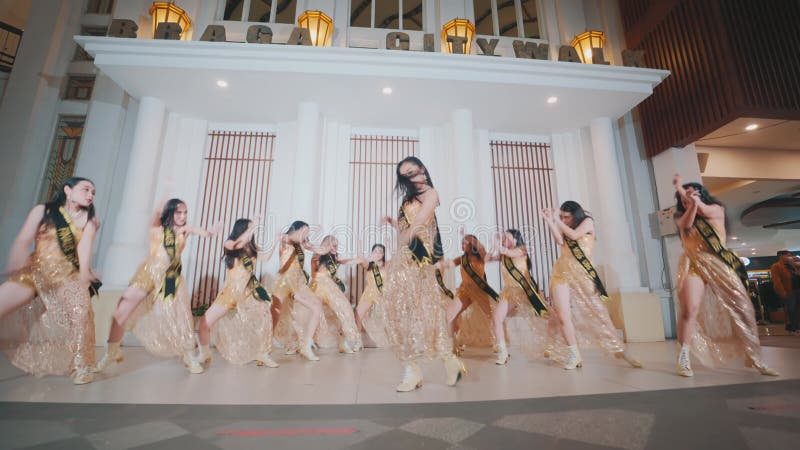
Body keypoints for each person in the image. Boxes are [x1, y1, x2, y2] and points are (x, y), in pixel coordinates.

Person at [95, 198, 220, 375]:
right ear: (169, 212)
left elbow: (198, 230)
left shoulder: (184, 231)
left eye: (185, 212)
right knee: (121, 312)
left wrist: (209, 233)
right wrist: (166, 192)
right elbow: (156, 212)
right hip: (148, 274)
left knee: (178, 316)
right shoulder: (157, 229)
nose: (183, 216)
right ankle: (111, 352)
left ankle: (188, 356)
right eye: (179, 212)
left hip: (170, 277)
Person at [672, 175, 778, 376]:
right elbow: (686, 224)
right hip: (693, 262)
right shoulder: (681, 216)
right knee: (690, 309)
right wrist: (687, 198)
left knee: (742, 308)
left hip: (719, 262)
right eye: (684, 199)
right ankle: (683, 356)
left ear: (701, 195)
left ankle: (754, 356)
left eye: (692, 196)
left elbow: (702, 209)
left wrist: (687, 195)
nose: (688, 201)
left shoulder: (716, 210)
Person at [0, 177, 101, 384]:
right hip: (34, 271)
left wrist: (84, 276)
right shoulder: (43, 211)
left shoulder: (89, 221)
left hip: (66, 276)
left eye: (93, 192)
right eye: (86, 189)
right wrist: (15, 260)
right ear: (68, 190)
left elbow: (84, 250)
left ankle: (81, 366)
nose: (90, 194)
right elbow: (24, 239)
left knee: (80, 313)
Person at [381, 156, 465, 392]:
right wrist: (393, 224)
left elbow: (419, 223)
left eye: (411, 170)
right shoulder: (408, 199)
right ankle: (444, 362)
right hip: (403, 258)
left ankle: (421, 369)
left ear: (421, 168)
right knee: (400, 310)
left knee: (423, 311)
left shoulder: (432, 193)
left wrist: (405, 235)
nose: (409, 176)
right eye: (404, 174)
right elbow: (406, 229)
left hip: (419, 259)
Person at [542, 201, 642, 370]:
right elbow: (560, 240)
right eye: (562, 217)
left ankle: (620, 349)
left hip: (582, 275)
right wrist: (550, 221)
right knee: (562, 315)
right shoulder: (565, 226)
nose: (564, 220)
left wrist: (556, 219)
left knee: (599, 313)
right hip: (561, 273)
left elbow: (574, 236)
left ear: (576, 214)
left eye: (567, 217)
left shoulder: (587, 222)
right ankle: (574, 354)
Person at [196, 218, 281, 369]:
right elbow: (236, 245)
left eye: (252, 230)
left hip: (247, 293)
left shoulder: (253, 248)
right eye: (249, 230)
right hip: (230, 293)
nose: (251, 233)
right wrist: (253, 226)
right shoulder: (230, 244)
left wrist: (275, 240)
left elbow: (266, 257)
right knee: (205, 323)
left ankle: (263, 353)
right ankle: (204, 353)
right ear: (241, 230)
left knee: (265, 315)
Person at [485, 229, 549, 365]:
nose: (504, 240)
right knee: (497, 317)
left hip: (525, 290)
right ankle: (503, 353)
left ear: (515, 240)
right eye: (503, 239)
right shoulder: (503, 255)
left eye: (506, 238)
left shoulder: (521, 250)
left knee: (546, 317)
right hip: (510, 292)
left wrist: (498, 245)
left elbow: (508, 252)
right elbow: (486, 260)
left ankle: (556, 344)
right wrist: (492, 246)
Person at [272, 221, 324, 361]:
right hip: (285, 283)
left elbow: (322, 251)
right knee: (278, 316)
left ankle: (305, 346)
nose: (306, 236)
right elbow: (285, 238)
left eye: (308, 233)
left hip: (298, 283)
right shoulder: (285, 239)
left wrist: (310, 244)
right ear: (296, 230)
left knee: (315, 308)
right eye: (304, 232)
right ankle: (264, 349)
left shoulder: (300, 244)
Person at [310, 235, 363, 353]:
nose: (335, 246)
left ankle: (343, 342)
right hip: (318, 286)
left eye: (336, 244)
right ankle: (304, 343)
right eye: (332, 244)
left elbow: (351, 260)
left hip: (330, 287)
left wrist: (361, 257)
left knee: (342, 311)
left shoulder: (335, 257)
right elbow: (314, 273)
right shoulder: (317, 256)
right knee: (315, 315)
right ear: (325, 244)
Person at [354, 244, 390, 348]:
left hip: (382, 294)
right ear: (372, 253)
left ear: (383, 254)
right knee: (358, 314)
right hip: (369, 293)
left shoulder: (386, 265)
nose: (378, 253)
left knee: (388, 318)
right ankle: (358, 340)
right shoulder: (369, 265)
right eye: (376, 251)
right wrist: (359, 246)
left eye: (380, 251)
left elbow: (396, 259)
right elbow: (361, 259)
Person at [770, 250, 798, 333]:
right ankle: (795, 327)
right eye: (787, 255)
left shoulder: (793, 265)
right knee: (791, 310)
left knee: (796, 309)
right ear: (781, 256)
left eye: (790, 255)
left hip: (797, 290)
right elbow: (777, 281)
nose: (790, 257)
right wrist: (783, 293)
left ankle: (794, 326)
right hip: (789, 291)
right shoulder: (776, 266)